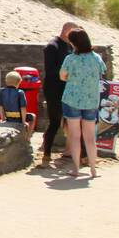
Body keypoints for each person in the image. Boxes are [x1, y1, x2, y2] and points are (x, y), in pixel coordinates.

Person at [60, 28, 106, 179]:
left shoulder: (71, 59)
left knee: (74, 135)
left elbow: (63, 76)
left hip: (72, 99)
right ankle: (93, 168)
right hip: (91, 100)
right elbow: (102, 72)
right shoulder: (96, 58)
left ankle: (76, 168)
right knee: (90, 137)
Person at [40, 22, 78, 169]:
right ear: (67, 32)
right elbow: (50, 70)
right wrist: (67, 73)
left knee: (70, 121)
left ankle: (71, 153)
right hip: (54, 89)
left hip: (66, 89)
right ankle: (46, 153)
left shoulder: (69, 46)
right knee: (55, 122)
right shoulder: (52, 46)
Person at [0, 71, 33, 135]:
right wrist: (23, 121)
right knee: (33, 116)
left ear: (6, 81)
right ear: (18, 82)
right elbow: (23, 108)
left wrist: (3, 119)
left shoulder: (2, 91)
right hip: (18, 119)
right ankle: (28, 137)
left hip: (8, 117)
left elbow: (1, 106)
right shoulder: (20, 92)